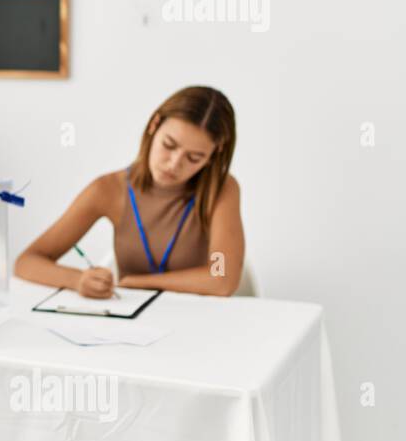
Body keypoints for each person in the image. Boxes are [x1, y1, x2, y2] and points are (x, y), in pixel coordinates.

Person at [14, 86, 243, 298]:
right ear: (154, 125)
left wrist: (139, 282)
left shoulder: (221, 190)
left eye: (194, 158)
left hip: (198, 323)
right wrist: (78, 280)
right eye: (169, 145)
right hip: (130, 328)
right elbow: (28, 261)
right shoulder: (108, 190)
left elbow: (220, 276)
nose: (174, 164)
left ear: (214, 155)